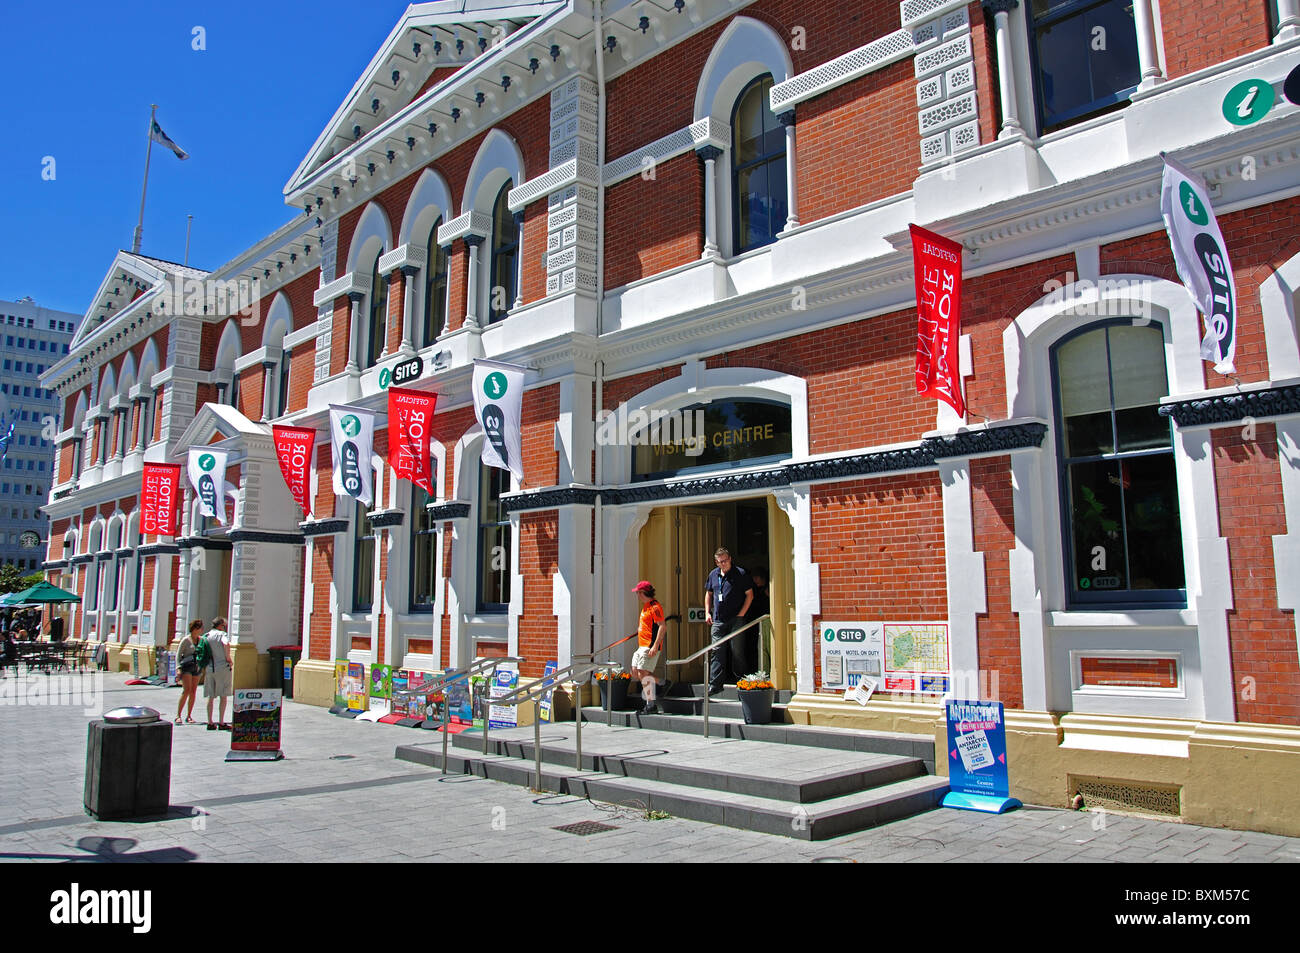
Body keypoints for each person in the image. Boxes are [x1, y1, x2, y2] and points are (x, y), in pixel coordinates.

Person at [703, 547, 753, 696]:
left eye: (724, 561)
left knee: (737, 650)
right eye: (719, 562)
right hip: (718, 619)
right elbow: (708, 594)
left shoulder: (740, 574)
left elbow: (749, 595)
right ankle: (715, 684)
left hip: (736, 618)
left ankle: (742, 682)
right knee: (716, 650)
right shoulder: (713, 574)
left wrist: (741, 615)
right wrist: (707, 612)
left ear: (730, 559)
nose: (722, 564)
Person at [628, 581, 666, 715]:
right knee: (635, 672)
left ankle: (650, 705)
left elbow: (662, 626)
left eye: (638, 592)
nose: (637, 595)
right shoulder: (646, 607)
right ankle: (661, 682)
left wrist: (655, 646)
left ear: (644, 592)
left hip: (649, 646)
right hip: (641, 645)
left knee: (643, 673)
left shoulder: (655, 607)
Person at [738, 567, 770, 678]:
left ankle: (765, 673)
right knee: (754, 647)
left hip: (765, 622)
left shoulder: (768, 589)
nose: (755, 580)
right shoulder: (755, 590)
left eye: (756, 577)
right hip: (753, 622)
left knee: (765, 648)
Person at [202, 617, 234, 731]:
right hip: (222, 667)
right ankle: (221, 722)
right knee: (223, 695)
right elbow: (226, 644)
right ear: (221, 626)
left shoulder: (206, 636)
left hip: (210, 668)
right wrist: (228, 658)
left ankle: (210, 722)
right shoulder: (222, 635)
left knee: (211, 696)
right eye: (224, 625)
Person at [175, 620, 204, 725]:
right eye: (200, 628)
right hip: (187, 667)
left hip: (197, 668)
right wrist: (178, 668)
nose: (202, 630)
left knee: (193, 692)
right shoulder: (186, 640)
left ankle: (189, 715)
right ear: (195, 629)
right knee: (186, 690)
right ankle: (178, 715)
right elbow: (178, 655)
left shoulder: (201, 640)